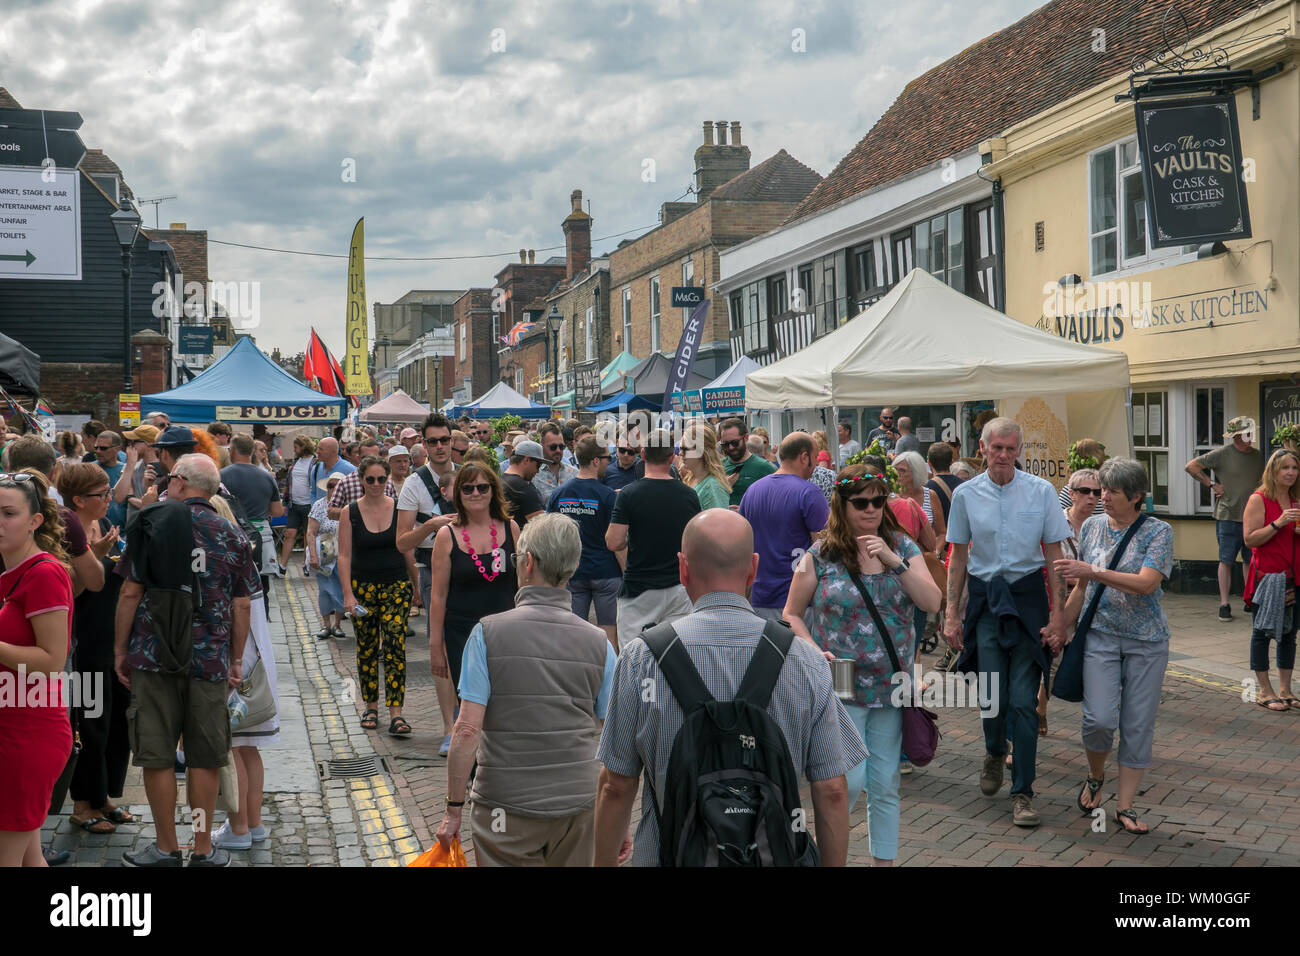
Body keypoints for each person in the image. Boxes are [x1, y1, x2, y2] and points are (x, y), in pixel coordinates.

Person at [594, 509, 869, 866]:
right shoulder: (805, 660)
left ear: (683, 567)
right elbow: (832, 790)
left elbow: (616, 786)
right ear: (753, 568)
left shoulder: (641, 657)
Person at [436, 514, 616, 865]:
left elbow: (468, 728)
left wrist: (453, 809)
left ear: (528, 562)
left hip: (505, 805)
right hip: (578, 803)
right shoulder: (600, 642)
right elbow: (614, 734)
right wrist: (615, 816)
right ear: (574, 565)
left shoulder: (486, 634)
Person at [783, 466, 941, 864]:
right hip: (841, 680)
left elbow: (932, 602)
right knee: (846, 783)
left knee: (885, 783)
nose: (871, 509)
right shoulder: (820, 555)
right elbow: (791, 614)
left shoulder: (902, 548)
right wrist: (811, 649)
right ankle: (826, 857)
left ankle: (883, 862)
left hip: (892, 682)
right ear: (843, 504)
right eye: (861, 502)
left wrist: (894, 561)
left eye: (878, 500)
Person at [116, 454, 259, 867]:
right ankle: (201, 845)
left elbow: (129, 592)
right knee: (204, 756)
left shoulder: (153, 523)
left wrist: (120, 650)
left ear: (177, 482)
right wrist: (235, 658)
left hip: (154, 654)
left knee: (158, 755)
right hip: (210, 660)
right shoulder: (231, 533)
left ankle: (165, 845)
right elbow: (243, 602)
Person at [943, 417, 1071, 828]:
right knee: (992, 697)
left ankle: (1024, 792)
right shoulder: (965, 494)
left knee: (1023, 702)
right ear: (982, 448)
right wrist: (951, 613)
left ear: (1020, 451)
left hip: (1029, 598)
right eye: (996, 448)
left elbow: (1054, 555)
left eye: (1010, 449)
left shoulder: (1041, 491)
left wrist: (1059, 616)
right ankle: (995, 750)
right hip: (985, 600)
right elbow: (958, 558)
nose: (1002, 455)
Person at [1054, 458, 1174, 835]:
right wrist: (1060, 625)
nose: (1102, 496)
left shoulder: (1158, 531)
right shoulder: (1090, 527)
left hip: (1147, 641)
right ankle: (1095, 774)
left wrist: (1092, 571)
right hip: (1100, 635)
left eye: (1111, 491)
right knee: (1099, 720)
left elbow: (1146, 583)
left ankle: (1125, 806)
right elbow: (1082, 589)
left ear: (1136, 496)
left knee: (1137, 724)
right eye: (1101, 488)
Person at [0, 470, 75, 867]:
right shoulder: (10, 572)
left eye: (8, 513)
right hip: (12, 729)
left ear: (34, 521)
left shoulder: (44, 573)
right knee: (31, 859)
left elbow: (52, 661)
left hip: (26, 735)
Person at [427, 463, 520, 755]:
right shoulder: (447, 536)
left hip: (505, 633)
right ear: (458, 494)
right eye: (468, 488)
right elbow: (438, 596)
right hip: (461, 635)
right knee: (470, 708)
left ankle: (499, 766)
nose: (476, 493)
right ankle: (471, 776)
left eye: (483, 487)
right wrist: (435, 644)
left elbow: (523, 584)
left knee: (503, 704)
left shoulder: (511, 528)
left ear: (493, 490)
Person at [60, 463, 132, 837]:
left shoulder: (101, 525)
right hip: (83, 642)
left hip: (110, 639)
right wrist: (98, 559)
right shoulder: (64, 533)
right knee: (89, 724)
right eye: (101, 495)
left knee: (116, 722)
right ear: (78, 500)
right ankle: (82, 804)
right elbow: (65, 593)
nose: (109, 499)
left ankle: (104, 796)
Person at [207, 493, 278, 851]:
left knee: (233, 746)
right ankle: (253, 822)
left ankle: (238, 828)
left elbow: (239, 609)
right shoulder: (243, 553)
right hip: (254, 655)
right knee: (249, 747)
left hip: (237, 656)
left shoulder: (224, 555)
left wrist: (233, 660)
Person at [338, 456, 413, 737]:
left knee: (395, 646)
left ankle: (397, 712)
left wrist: (416, 587)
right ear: (361, 480)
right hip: (363, 588)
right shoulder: (350, 512)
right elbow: (343, 555)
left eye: (382, 479)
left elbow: (406, 550)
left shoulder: (399, 509)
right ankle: (371, 706)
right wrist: (348, 594)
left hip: (396, 586)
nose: (376, 484)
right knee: (367, 648)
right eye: (370, 479)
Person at [605, 430, 701, 652]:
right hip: (678, 586)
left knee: (633, 654)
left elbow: (613, 542)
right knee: (679, 654)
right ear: (671, 458)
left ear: (643, 455)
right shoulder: (689, 495)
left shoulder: (628, 494)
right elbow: (695, 541)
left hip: (639, 587)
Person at [739, 432, 829, 622]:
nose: (815, 466)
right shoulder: (809, 492)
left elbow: (742, 544)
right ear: (804, 457)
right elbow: (823, 548)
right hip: (799, 601)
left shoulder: (752, 491)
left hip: (759, 598)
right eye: (815, 458)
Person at [1186, 417, 1265, 621]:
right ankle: (1224, 603)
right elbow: (1192, 466)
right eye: (1247, 433)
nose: (1251, 437)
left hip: (1253, 516)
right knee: (1226, 560)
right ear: (1236, 435)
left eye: (1252, 432)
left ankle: (1250, 600)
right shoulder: (1222, 453)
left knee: (1251, 560)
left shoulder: (1258, 456)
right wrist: (1211, 484)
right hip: (1228, 515)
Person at [546, 436, 621, 647]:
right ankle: (610, 677)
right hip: (605, 572)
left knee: (573, 632)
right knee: (609, 632)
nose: (610, 462)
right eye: (607, 458)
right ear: (596, 460)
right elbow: (616, 541)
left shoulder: (559, 494)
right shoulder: (607, 496)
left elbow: (551, 536)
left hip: (572, 572)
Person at [6, 436, 103, 597]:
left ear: (9, 468)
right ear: (52, 473)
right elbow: (95, 582)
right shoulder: (65, 517)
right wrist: (97, 553)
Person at [1241, 449, 1300, 712]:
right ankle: (1264, 691)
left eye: (1294, 468)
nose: (1290, 472)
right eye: (1285, 467)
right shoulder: (1259, 499)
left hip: (1295, 576)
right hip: (1268, 578)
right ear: (1273, 471)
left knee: (1290, 634)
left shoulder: (1296, 498)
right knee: (1262, 633)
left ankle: (1286, 689)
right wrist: (1278, 523)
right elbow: (1250, 539)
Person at [221, 434, 284, 600]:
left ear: (232, 450)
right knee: (262, 587)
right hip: (261, 533)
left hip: (232, 533)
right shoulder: (267, 477)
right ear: (252, 451)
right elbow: (278, 511)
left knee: (235, 584)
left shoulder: (221, 476)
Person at [306, 472, 348, 640]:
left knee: (341, 587)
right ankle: (326, 624)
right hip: (327, 545)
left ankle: (337, 624)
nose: (333, 489)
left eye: (337, 485)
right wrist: (313, 556)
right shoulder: (319, 505)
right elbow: (311, 531)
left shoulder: (348, 505)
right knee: (325, 588)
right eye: (331, 485)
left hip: (345, 548)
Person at [278, 435, 318, 574]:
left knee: (308, 536)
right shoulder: (295, 462)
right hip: (294, 504)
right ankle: (282, 566)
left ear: (303, 446)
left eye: (296, 447)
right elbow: (289, 484)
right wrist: (284, 501)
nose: (294, 450)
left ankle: (306, 564)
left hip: (309, 505)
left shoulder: (315, 463)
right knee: (289, 533)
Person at [719, 417, 775, 507]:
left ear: (746, 438)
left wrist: (745, 511)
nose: (730, 448)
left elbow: (775, 503)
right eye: (725, 444)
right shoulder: (718, 467)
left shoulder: (764, 467)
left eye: (735, 443)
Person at [678, 421, 732, 511]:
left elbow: (719, 523)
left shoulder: (713, 487)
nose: (680, 453)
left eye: (685, 449)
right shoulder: (691, 478)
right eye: (680, 449)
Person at [114, 424, 160, 520]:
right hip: (134, 527)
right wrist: (129, 465)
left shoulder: (163, 467)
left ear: (149, 444)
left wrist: (132, 499)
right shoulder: (131, 465)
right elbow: (118, 497)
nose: (130, 445)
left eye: (134, 441)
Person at [500, 439, 547, 529]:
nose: (537, 471)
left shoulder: (499, 481)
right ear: (526, 460)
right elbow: (542, 528)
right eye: (539, 464)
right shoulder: (523, 488)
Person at [89, 430, 127, 529]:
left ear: (117, 449)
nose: (98, 451)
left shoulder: (127, 470)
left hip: (122, 531)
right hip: (95, 528)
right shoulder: (89, 469)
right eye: (96, 447)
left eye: (103, 448)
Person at [532, 422, 578, 504]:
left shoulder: (574, 472)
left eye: (561, 447)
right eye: (553, 447)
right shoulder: (533, 474)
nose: (558, 450)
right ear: (541, 445)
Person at [1058, 439, 1107, 512]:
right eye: (1085, 491)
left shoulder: (1070, 489)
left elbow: (1059, 517)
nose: (1091, 496)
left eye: (1096, 492)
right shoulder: (1108, 490)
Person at [924, 441, 962, 526]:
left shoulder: (925, 489)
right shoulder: (964, 486)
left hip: (939, 538)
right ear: (952, 462)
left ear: (929, 463)